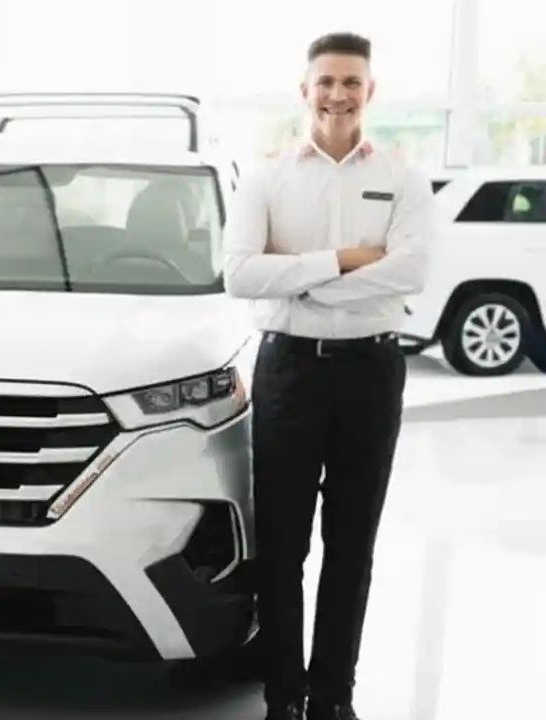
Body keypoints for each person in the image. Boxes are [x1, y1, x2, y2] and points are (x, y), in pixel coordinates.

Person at [222, 33, 437, 720]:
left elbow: (411, 271)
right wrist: (346, 260)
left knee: (352, 544)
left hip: (372, 371)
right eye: (326, 81)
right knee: (281, 545)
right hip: (288, 370)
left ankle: (333, 697)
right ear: (304, 89)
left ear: (370, 90)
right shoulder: (266, 177)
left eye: (351, 82)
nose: (338, 94)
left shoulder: (404, 178)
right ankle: (283, 695)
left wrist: (299, 276)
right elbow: (240, 275)